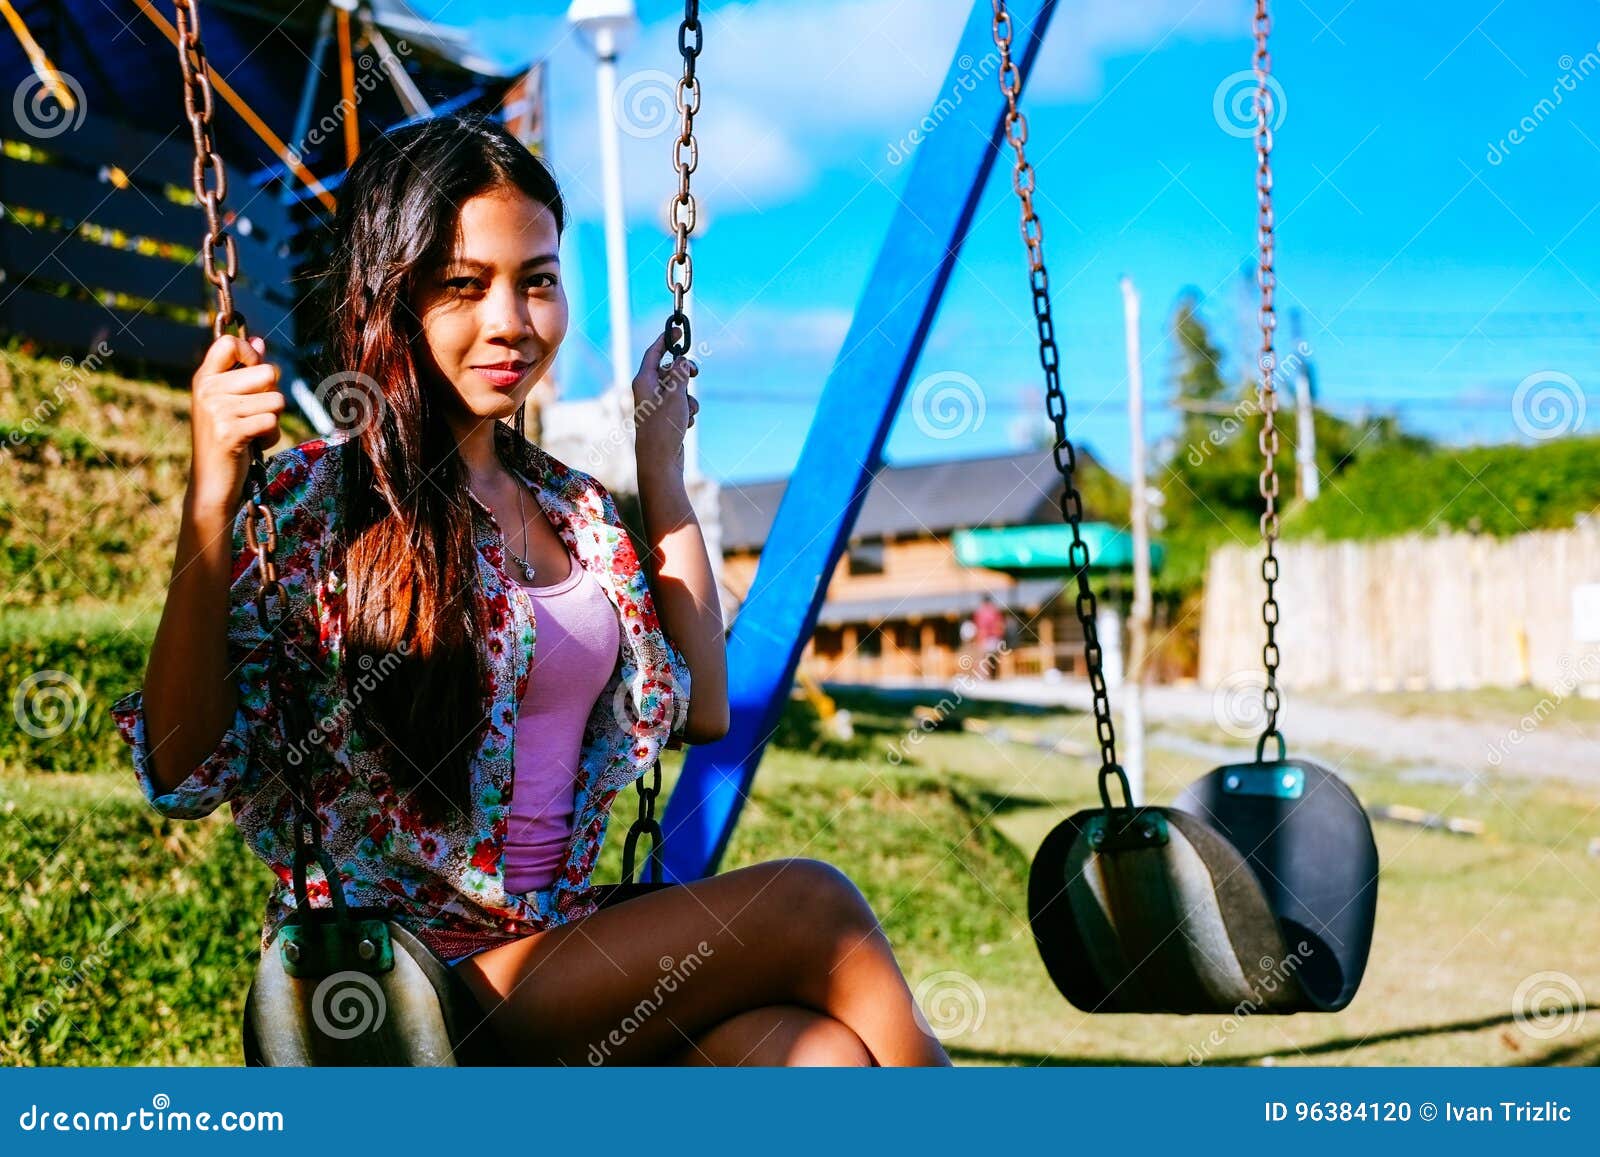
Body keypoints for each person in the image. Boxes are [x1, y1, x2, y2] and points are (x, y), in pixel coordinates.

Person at [114, 114, 949, 1068]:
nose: (512, 321)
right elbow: (184, 771)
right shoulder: (312, 503)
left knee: (808, 1053)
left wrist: (661, 475)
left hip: (566, 954)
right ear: (393, 296)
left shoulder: (577, 512)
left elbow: (705, 707)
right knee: (813, 904)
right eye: (465, 285)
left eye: (539, 281)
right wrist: (212, 496)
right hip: (402, 987)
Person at [971, 594, 1007, 679]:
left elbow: (979, 626)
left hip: (987, 638)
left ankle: (987, 676)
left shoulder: (981, 612)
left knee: (985, 658)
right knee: (993, 658)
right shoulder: (994, 611)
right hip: (993, 638)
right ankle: (993, 676)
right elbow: (1000, 625)